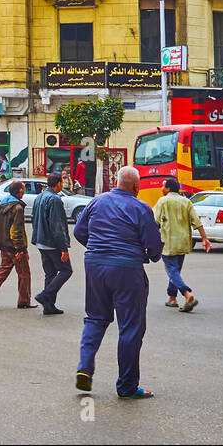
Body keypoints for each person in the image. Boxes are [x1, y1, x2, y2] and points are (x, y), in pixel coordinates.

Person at [73, 166, 164, 399]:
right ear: (136, 186)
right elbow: (154, 246)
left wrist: (97, 250)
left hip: (94, 265)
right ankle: (127, 386)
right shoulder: (141, 208)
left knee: (95, 318)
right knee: (131, 328)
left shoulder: (96, 201)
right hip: (126, 269)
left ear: (116, 181)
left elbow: (79, 232)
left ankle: (85, 367)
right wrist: (148, 256)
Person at [153, 176, 211, 311]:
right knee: (175, 271)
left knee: (172, 271)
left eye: (163, 186)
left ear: (168, 188)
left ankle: (187, 294)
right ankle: (172, 299)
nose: (161, 188)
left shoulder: (163, 201)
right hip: (184, 242)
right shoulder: (186, 202)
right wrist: (204, 238)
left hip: (168, 243)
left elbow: (154, 222)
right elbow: (196, 221)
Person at [0, 181, 33, 309]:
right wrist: (20, 248)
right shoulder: (17, 208)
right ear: (20, 191)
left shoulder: (2, 203)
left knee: (3, 270)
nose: (24, 191)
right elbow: (16, 230)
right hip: (14, 246)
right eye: (23, 189)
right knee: (24, 274)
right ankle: (24, 301)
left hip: (3, 243)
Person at [30, 172, 72, 315]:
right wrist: (64, 248)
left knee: (51, 273)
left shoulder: (40, 197)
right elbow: (57, 226)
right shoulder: (54, 199)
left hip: (41, 241)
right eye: (62, 182)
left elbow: (33, 218)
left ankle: (49, 306)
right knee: (66, 270)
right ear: (59, 183)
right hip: (52, 243)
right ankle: (45, 295)